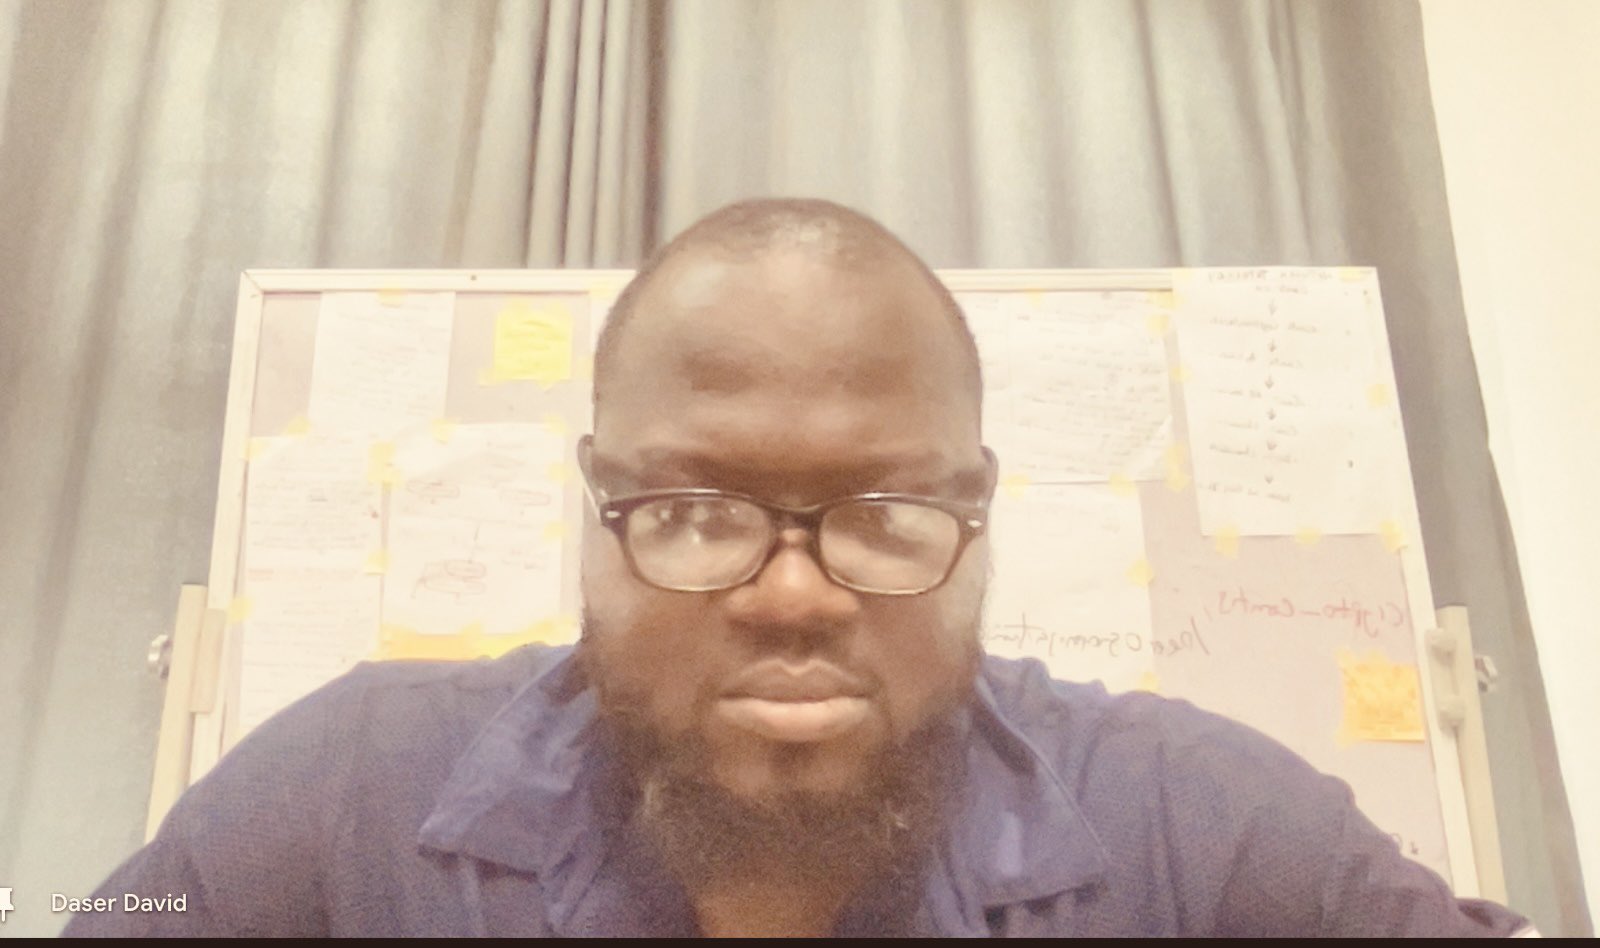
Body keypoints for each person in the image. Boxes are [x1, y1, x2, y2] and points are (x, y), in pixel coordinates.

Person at [67, 198, 1533, 937]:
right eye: (694, 508)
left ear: (978, 519)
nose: (792, 594)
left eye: (885, 512)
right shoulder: (346, 795)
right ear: (596, 510)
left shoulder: (1197, 826)